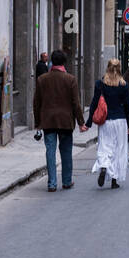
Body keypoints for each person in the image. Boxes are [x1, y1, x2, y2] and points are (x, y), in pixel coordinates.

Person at [33, 49, 82, 192]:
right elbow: (76, 103)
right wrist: (81, 122)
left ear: (51, 61)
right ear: (64, 62)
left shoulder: (42, 79)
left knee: (50, 151)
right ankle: (66, 181)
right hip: (66, 121)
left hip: (48, 121)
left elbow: (36, 102)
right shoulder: (70, 79)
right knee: (66, 151)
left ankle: (52, 183)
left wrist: (38, 122)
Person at [86, 58, 129, 190]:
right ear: (119, 68)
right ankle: (114, 180)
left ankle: (103, 166)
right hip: (120, 120)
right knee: (118, 150)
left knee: (105, 147)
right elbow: (127, 107)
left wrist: (88, 122)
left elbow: (94, 104)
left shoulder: (100, 84)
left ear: (107, 68)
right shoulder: (123, 85)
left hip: (106, 121)